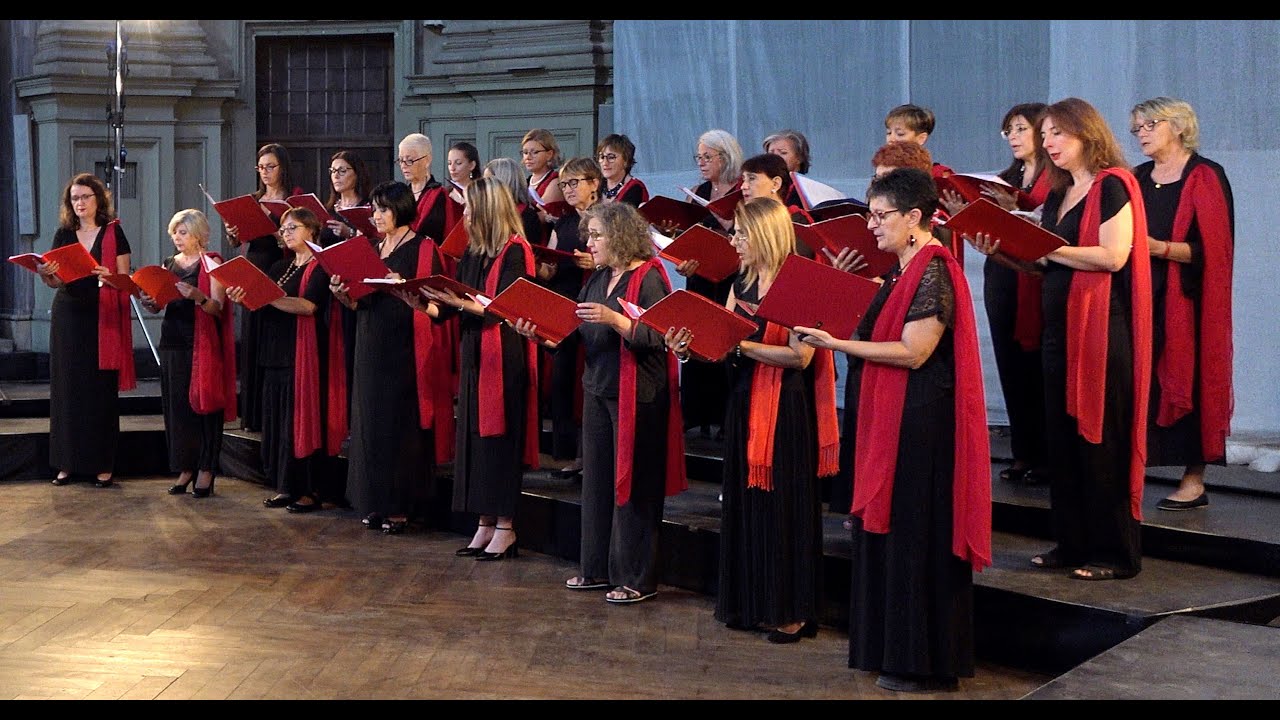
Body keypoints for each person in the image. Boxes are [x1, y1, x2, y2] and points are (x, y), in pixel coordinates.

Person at [795, 167, 992, 693]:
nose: (871, 225)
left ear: (914, 217)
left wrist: (835, 345)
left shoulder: (934, 270)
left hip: (921, 426)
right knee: (893, 540)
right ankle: (893, 651)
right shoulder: (901, 270)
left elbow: (914, 351)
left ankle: (925, 663)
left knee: (916, 541)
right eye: (870, 214)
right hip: (896, 421)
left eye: (881, 215)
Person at [973, 97, 1152, 582]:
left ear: (1086, 134)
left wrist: (1049, 246)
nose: (1048, 142)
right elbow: (1042, 265)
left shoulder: (1113, 185)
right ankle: (1072, 543)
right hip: (1060, 332)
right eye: (1045, 134)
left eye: (1057, 133)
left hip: (1101, 332)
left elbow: (1112, 257)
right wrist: (999, 249)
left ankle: (1114, 553)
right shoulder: (1059, 193)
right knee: (1063, 441)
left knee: (1101, 441)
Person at [666, 197, 839, 642]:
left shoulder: (800, 282)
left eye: (741, 233)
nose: (734, 241)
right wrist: (687, 348)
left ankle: (792, 609)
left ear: (764, 234)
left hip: (785, 408)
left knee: (783, 509)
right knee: (748, 505)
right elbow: (722, 342)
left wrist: (741, 347)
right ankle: (752, 601)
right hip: (743, 402)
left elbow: (800, 357)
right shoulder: (741, 281)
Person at [519, 201, 686, 602]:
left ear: (621, 236)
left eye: (596, 235)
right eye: (588, 235)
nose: (589, 243)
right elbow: (575, 330)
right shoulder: (598, 277)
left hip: (639, 394)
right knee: (596, 484)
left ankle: (636, 578)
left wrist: (616, 320)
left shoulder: (648, 277)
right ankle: (595, 568)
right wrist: (538, 333)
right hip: (597, 388)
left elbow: (659, 336)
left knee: (634, 486)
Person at [415, 178, 539, 561]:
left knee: (499, 440)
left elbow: (508, 307)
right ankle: (484, 522)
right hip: (474, 351)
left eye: (469, 208)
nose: (465, 215)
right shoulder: (474, 251)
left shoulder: (516, 251)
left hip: (503, 355)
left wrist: (459, 303)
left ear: (486, 211)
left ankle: (506, 526)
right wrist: (423, 303)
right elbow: (456, 304)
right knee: (474, 438)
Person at [1129, 97, 1234, 511]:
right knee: (1140, 382)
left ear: (1178, 126)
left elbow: (1214, 250)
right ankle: (1135, 468)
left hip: (1187, 301)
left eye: (1149, 124)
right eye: (1136, 127)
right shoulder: (1136, 177)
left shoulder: (1205, 175)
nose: (1141, 133)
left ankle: (1193, 481)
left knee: (1191, 380)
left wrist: (1160, 248)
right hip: (1140, 293)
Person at [330, 181, 452, 534]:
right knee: (370, 422)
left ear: (400, 209)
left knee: (400, 424)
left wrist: (401, 284)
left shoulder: (423, 247)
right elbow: (359, 302)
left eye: (383, 209)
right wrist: (341, 294)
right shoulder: (371, 247)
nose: (376, 216)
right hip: (370, 340)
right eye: (374, 209)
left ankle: (400, 505)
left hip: (405, 344)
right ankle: (375, 501)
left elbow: (436, 299)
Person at [957, 104, 1053, 487]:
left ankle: (1046, 457)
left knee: (1039, 369)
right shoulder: (1003, 179)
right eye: (1008, 130)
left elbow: (1046, 229)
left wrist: (1015, 212)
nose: (1013, 136)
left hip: (1037, 278)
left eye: (1020, 128)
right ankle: (1022, 451)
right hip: (1002, 274)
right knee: (1010, 365)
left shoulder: (1055, 179)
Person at [226, 208, 339, 511]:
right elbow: (261, 301)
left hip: (303, 355)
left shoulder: (321, 267)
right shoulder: (280, 265)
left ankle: (309, 489)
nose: (286, 233)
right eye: (283, 228)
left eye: (293, 227)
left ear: (312, 231)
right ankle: (285, 485)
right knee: (277, 424)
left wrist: (269, 297)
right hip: (273, 352)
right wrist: (244, 297)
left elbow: (308, 306)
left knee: (299, 422)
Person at [40, 173, 135, 488]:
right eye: (74, 198)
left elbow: (126, 280)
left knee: (99, 390)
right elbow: (55, 281)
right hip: (68, 315)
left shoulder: (113, 232)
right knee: (67, 388)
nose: (79, 203)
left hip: (102, 315)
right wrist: (46, 273)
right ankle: (66, 463)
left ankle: (102, 464)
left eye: (85, 197)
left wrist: (109, 276)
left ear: (98, 199)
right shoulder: (64, 234)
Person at [142, 210, 236, 499]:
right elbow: (159, 304)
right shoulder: (168, 264)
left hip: (201, 343)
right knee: (178, 408)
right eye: (174, 232)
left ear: (198, 235)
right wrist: (149, 302)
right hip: (172, 341)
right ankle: (185, 467)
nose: (177, 238)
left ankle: (206, 468)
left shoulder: (212, 263)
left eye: (182, 232)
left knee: (203, 406)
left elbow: (217, 308)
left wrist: (198, 297)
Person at [225, 143, 297, 432]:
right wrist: (233, 234)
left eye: (270, 167)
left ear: (283, 168)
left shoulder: (292, 201)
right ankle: (252, 415)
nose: (265, 172)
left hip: (280, 267)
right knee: (252, 336)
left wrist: (282, 235)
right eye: (261, 167)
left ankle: (273, 414)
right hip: (253, 266)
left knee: (272, 337)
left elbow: (302, 241)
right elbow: (239, 242)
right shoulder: (253, 200)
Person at [677, 128, 744, 440]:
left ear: (726, 158)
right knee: (697, 338)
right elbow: (687, 237)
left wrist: (729, 226)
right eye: (699, 157)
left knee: (724, 341)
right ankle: (696, 413)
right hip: (701, 277)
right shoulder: (698, 191)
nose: (701, 162)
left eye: (708, 157)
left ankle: (724, 417)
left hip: (731, 277)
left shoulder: (743, 191)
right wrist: (678, 251)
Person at [538, 157, 601, 478]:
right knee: (562, 382)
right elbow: (550, 263)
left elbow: (626, 261)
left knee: (585, 384)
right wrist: (543, 268)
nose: (568, 189)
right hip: (563, 309)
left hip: (593, 309)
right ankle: (569, 452)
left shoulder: (607, 219)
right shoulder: (562, 222)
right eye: (564, 184)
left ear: (594, 184)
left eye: (575, 182)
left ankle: (589, 456)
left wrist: (595, 264)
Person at [398, 133, 461, 245]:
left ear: (426, 160)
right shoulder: (399, 195)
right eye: (401, 160)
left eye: (409, 160)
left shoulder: (441, 195)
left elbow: (449, 236)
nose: (403, 165)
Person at [484, 157, 545, 246]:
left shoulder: (527, 216)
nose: (483, 187)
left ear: (503, 182)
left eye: (488, 182)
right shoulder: (485, 211)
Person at [320, 150, 374, 245]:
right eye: (333, 171)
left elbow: (376, 241)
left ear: (357, 173)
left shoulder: (369, 208)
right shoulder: (328, 210)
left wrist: (350, 233)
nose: (336, 176)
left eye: (342, 171)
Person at [522, 128, 565, 228]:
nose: (528, 157)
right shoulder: (525, 182)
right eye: (525, 152)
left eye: (534, 152)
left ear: (549, 154)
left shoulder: (555, 182)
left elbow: (537, 218)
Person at [596, 134, 649, 207]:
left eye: (611, 157)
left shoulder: (635, 188)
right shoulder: (596, 186)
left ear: (626, 161)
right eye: (602, 157)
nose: (605, 163)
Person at [763, 129, 812, 207]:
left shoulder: (807, 190)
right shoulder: (763, 186)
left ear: (799, 158)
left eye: (783, 153)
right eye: (771, 153)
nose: (775, 157)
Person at [446, 141, 481, 205]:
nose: (452, 168)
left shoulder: (481, 193)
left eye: (458, 163)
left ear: (472, 165)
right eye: (449, 163)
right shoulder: (445, 194)